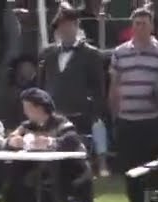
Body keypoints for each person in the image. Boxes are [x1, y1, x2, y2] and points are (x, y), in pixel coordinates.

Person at [110, 6, 158, 202]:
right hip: (127, 121)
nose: (139, 28)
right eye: (136, 24)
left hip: (153, 121)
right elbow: (114, 85)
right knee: (131, 171)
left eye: (144, 24)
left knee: (156, 170)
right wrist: (114, 113)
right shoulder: (119, 53)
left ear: (152, 27)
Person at [4, 87, 92, 202]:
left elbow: (71, 140)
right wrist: (13, 142)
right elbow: (10, 138)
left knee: (44, 179)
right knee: (16, 177)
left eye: (27, 107)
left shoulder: (61, 122)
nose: (25, 112)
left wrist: (50, 142)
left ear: (38, 108)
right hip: (37, 171)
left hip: (67, 172)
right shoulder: (27, 125)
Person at [35, 5, 106, 153]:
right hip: (53, 116)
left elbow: (99, 88)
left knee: (77, 153)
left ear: (76, 25)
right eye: (60, 26)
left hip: (80, 116)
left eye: (67, 25)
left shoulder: (91, 54)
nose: (63, 29)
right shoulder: (48, 53)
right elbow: (41, 85)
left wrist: (94, 113)